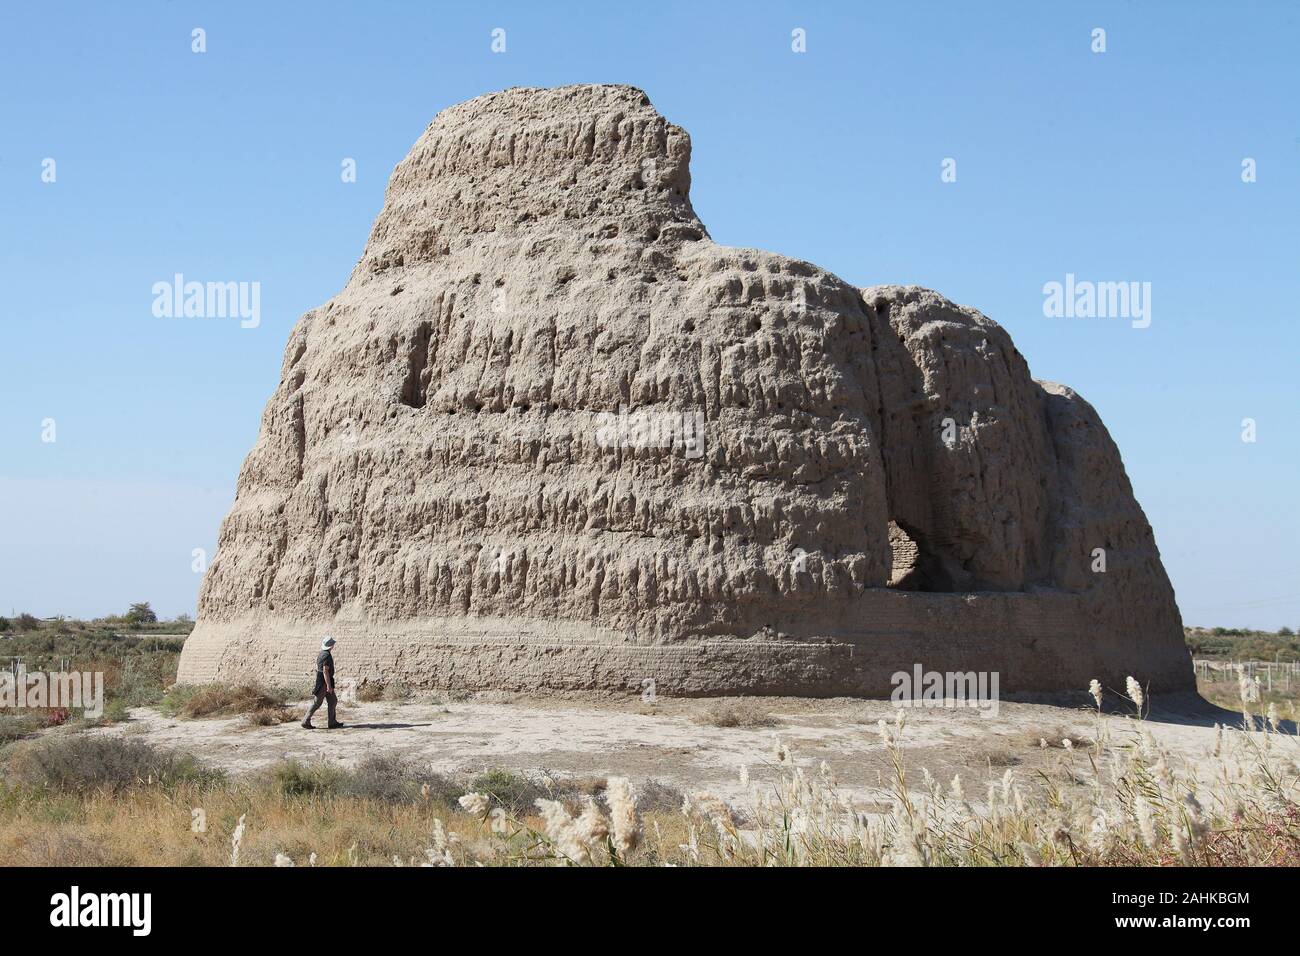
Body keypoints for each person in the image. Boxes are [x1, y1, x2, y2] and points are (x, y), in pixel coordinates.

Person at [302, 637, 343, 729]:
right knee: (317, 703)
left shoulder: (322, 653)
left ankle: (332, 722)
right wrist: (328, 685)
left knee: (333, 701)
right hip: (324, 681)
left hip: (324, 680)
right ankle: (305, 721)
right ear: (331, 646)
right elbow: (325, 671)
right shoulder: (326, 656)